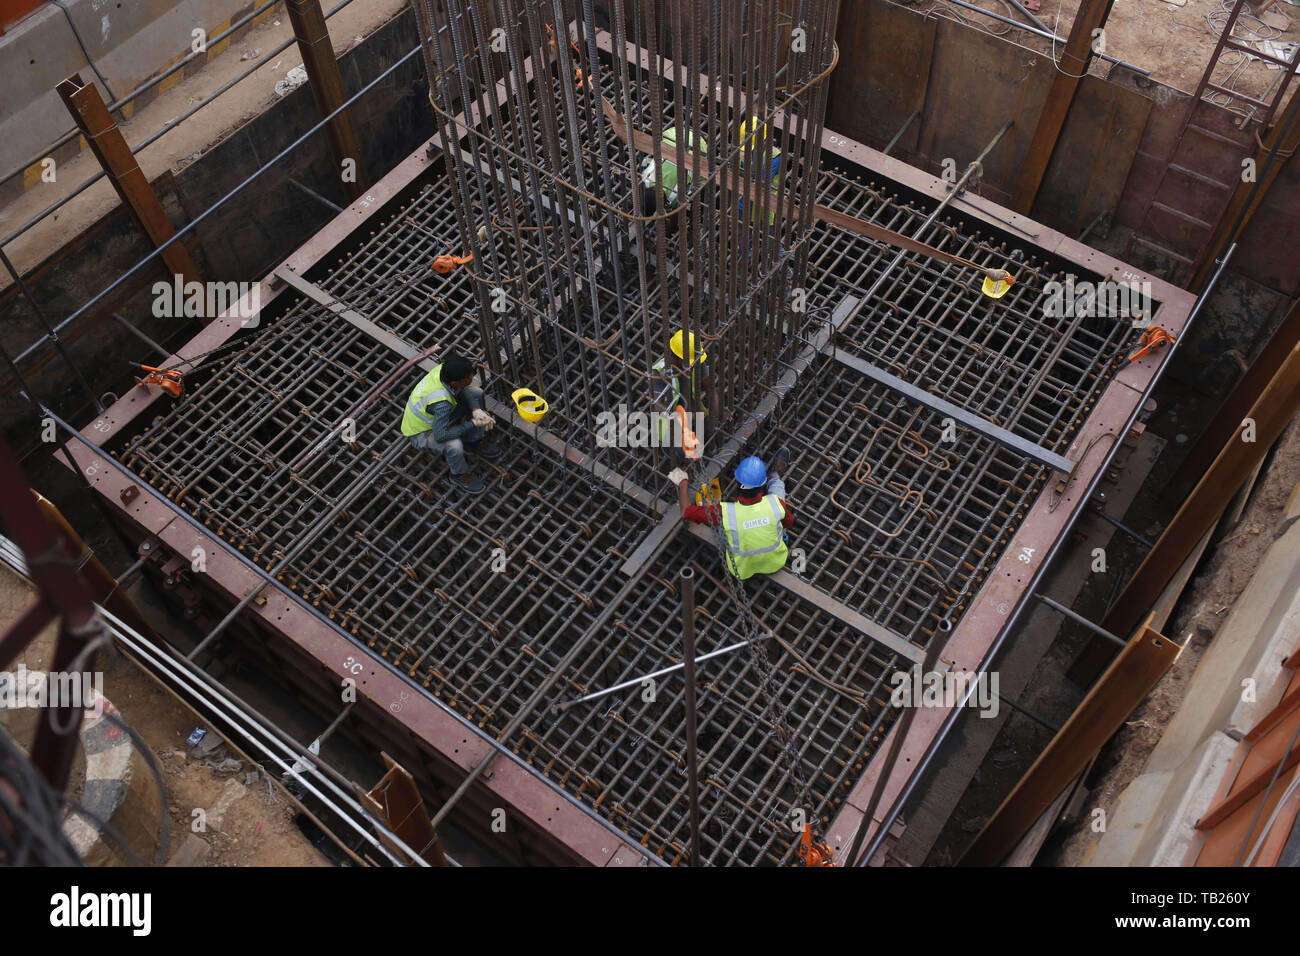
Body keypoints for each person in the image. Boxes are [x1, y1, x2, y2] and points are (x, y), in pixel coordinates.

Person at [673, 449, 793, 580]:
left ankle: (774, 476)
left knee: (723, 525)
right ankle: (775, 475)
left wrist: (683, 483)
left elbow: (685, 511)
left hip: (741, 569)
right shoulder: (776, 503)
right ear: (761, 487)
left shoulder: (724, 513)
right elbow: (788, 523)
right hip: (775, 563)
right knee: (777, 491)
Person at [399, 351, 500, 493]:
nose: (472, 378)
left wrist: (476, 409)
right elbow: (441, 435)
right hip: (420, 432)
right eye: (468, 378)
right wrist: (472, 423)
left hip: (435, 416)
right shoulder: (442, 403)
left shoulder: (444, 370)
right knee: (454, 445)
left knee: (476, 393)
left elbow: (462, 389)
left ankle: (474, 442)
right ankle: (459, 475)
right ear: (455, 382)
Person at [650, 330, 710, 451]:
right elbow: (657, 407)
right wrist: (690, 417)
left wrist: (718, 413)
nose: (693, 364)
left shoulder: (695, 360)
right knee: (683, 453)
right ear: (676, 357)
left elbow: (711, 389)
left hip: (695, 415)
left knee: (709, 436)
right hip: (672, 427)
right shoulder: (660, 372)